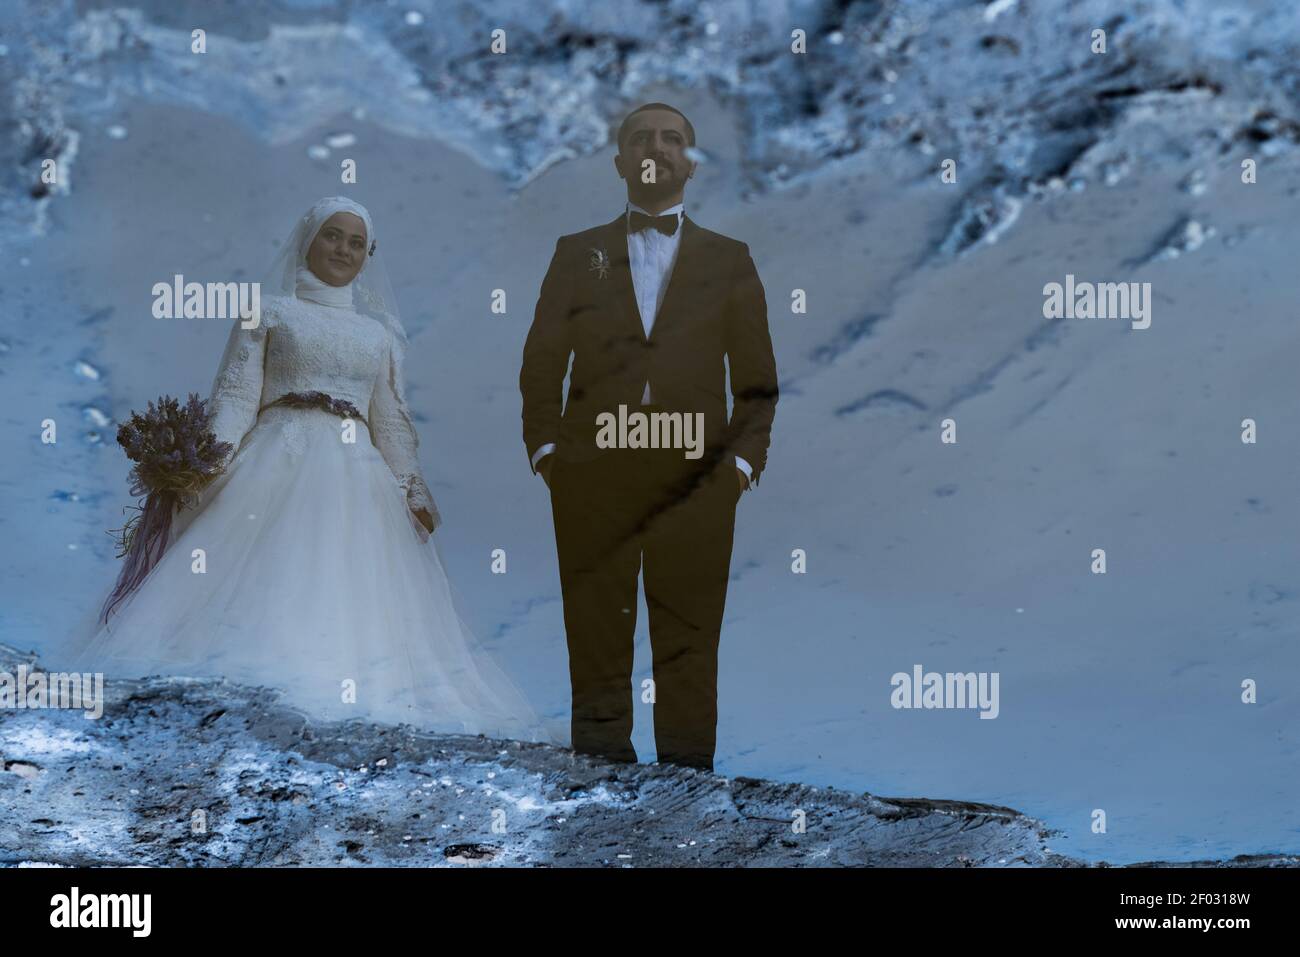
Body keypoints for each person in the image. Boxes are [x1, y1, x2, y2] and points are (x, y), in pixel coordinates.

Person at [59, 196, 557, 743]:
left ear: (369, 256)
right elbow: (234, 397)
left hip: (357, 477)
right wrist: (198, 466)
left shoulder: (380, 335)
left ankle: (329, 713)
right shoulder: (268, 312)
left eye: (356, 242)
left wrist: (412, 486)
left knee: (351, 587)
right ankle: (236, 715)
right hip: (275, 457)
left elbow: (389, 419)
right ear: (307, 238)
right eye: (332, 235)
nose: (343, 249)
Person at [520, 103, 778, 770]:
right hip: (590, 477)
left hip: (698, 480)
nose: (655, 147)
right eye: (640, 137)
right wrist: (549, 452)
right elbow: (544, 359)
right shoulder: (576, 254)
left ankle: (687, 796)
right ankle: (601, 792)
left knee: (689, 641)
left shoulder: (732, 261)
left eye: (671, 138)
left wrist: (739, 470)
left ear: (691, 161)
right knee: (596, 634)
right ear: (618, 161)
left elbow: (757, 382)